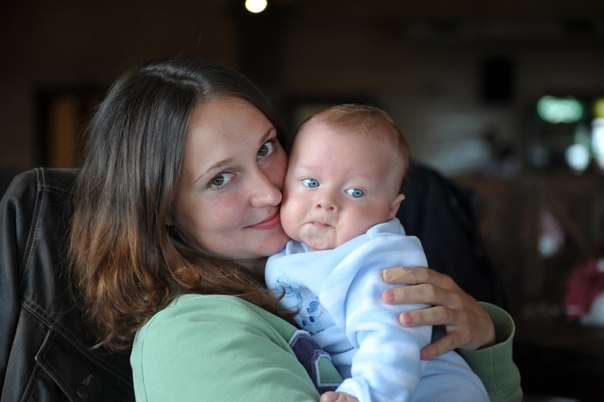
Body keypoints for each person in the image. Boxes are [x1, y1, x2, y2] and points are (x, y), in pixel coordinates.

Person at [60, 58, 520, 401]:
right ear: (159, 207)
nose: (270, 193)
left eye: (266, 149)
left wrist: (481, 337)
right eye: (220, 178)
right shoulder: (192, 335)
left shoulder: (308, 267)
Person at [265, 104, 488, 401]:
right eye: (311, 183)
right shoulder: (293, 246)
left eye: (355, 192)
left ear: (390, 210)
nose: (325, 202)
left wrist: (363, 394)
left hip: (426, 387)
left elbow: (392, 338)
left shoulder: (374, 262)